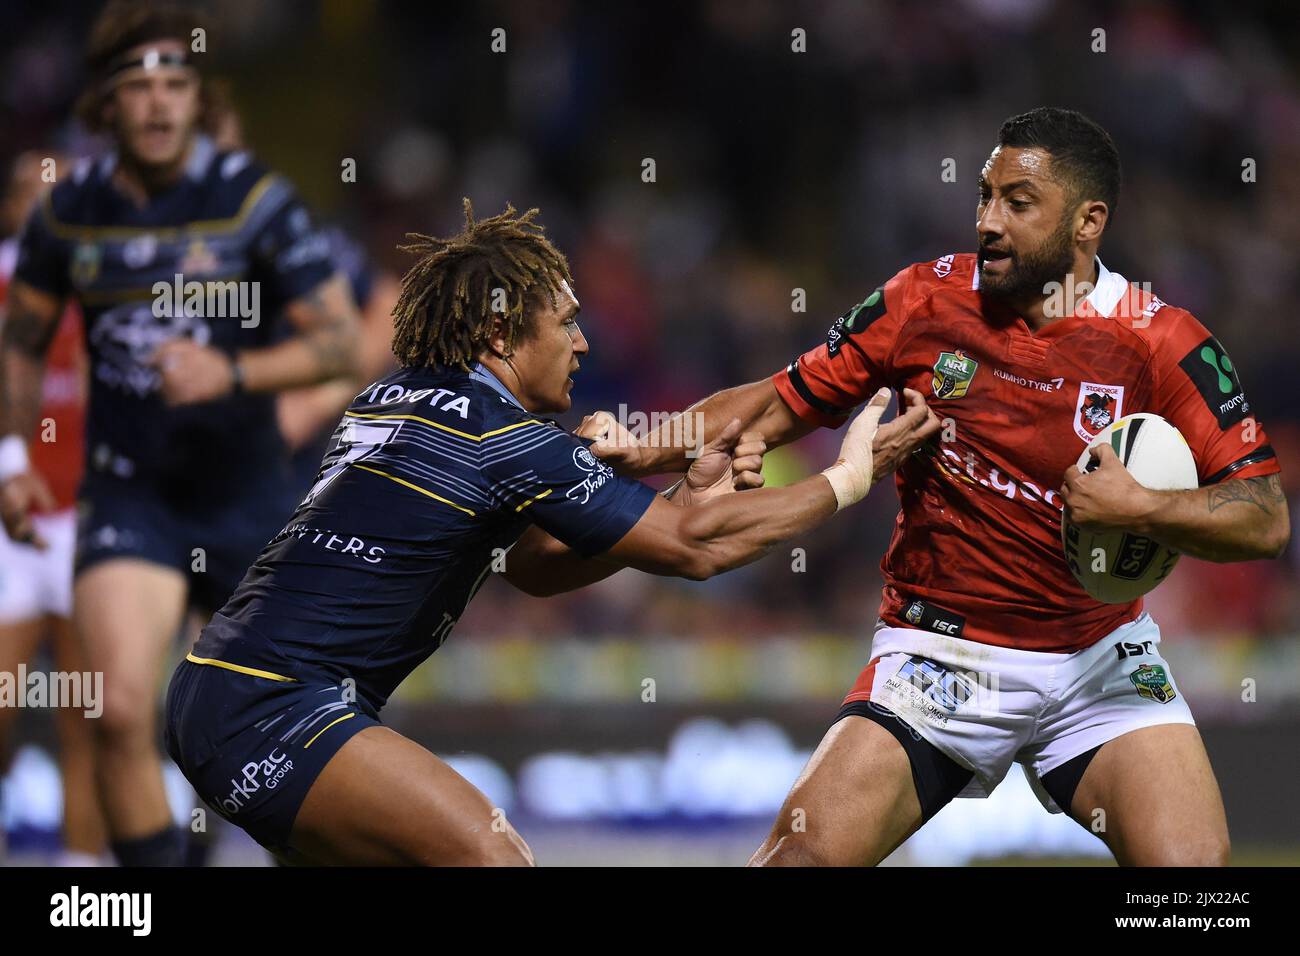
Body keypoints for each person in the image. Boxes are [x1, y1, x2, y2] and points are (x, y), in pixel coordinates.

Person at [597, 107, 1289, 866]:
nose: (989, 221)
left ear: (1089, 221)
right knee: (799, 860)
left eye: (1018, 204)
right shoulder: (922, 302)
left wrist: (1142, 508)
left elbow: (1263, 518)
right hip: (941, 655)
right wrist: (651, 446)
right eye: (985, 196)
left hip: (1098, 658)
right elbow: (772, 402)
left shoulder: (1162, 342)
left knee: (1196, 892)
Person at [163, 200, 926, 865]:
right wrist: (849, 479)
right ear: (500, 332)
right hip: (277, 707)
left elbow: (527, 565)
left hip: (224, 685)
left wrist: (670, 493)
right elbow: (695, 551)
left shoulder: (395, 397)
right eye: (565, 323)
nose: (582, 344)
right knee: (492, 855)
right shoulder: (508, 439)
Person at [0, 1, 363, 865]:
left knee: (285, 721)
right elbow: (19, 343)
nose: (161, 105)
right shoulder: (69, 216)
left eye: (177, 85)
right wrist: (13, 458)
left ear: (198, 97)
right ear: (104, 106)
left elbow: (341, 342)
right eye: (141, 87)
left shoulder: (254, 201)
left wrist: (233, 373)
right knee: (120, 708)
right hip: (133, 495)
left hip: (249, 495)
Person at [0, 151, 107, 865]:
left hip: (88, 517)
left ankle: (83, 876)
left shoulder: (104, 285)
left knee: (90, 714)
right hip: (10, 521)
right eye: (32, 194)